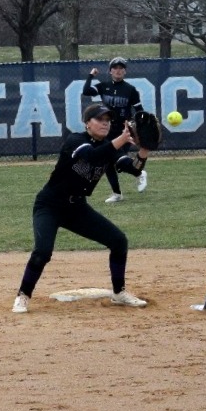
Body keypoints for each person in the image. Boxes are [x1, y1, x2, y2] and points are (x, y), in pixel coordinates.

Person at [12, 103, 150, 313]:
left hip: (77, 208)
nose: (105, 123)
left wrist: (145, 149)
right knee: (42, 252)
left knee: (118, 241)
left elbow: (132, 168)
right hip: (49, 205)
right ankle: (23, 295)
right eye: (99, 119)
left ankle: (119, 293)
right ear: (87, 123)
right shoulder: (75, 140)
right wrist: (121, 140)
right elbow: (92, 156)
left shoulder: (110, 148)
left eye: (108, 120)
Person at [83, 57, 147, 203]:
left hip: (124, 130)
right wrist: (91, 75)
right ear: (110, 71)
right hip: (107, 131)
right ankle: (117, 194)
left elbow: (138, 110)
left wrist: (141, 125)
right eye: (115, 68)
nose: (118, 70)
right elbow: (86, 91)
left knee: (118, 161)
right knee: (107, 162)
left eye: (121, 68)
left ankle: (139, 172)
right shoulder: (103, 86)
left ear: (125, 71)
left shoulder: (130, 90)